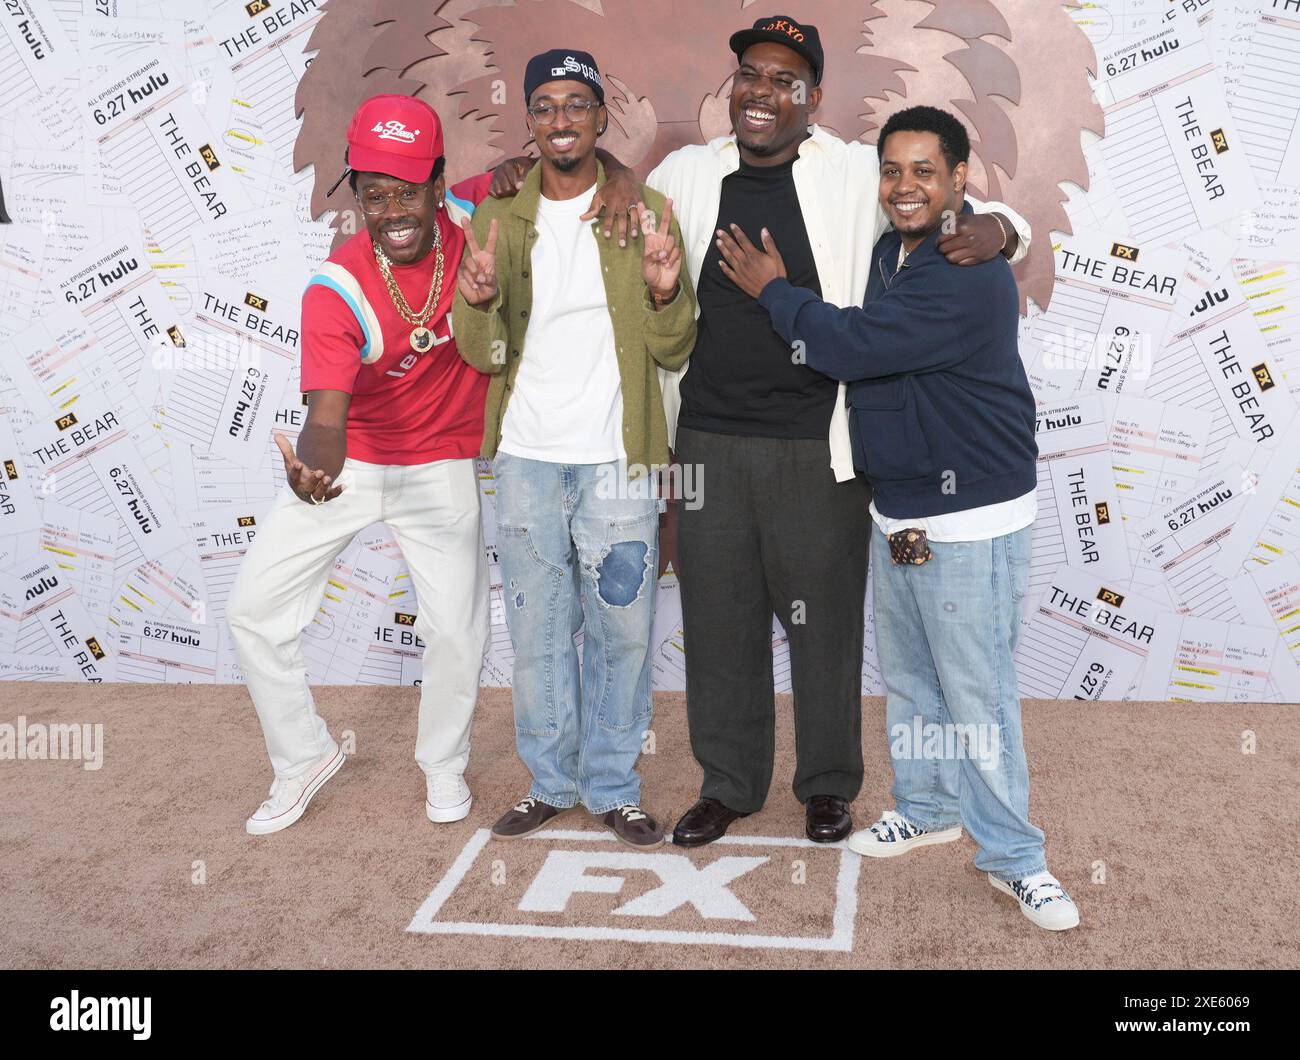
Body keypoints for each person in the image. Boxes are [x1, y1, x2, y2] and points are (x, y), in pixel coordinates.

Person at [645, 15, 1031, 847]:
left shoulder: (855, 173)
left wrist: (1007, 230)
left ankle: (826, 785)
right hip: (707, 438)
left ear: (812, 99)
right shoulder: (685, 173)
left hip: (819, 441)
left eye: (786, 80)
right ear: (733, 83)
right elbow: (612, 199)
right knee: (718, 623)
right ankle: (729, 784)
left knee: (822, 627)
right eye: (752, 71)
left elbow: (934, 192)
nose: (763, 91)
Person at [227, 94, 641, 836]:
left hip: (440, 468)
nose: (393, 210)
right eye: (374, 193)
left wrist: (624, 180)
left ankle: (443, 765)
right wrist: (312, 469)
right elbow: (325, 415)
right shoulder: (337, 287)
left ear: (438, 181)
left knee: (456, 631)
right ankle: (301, 757)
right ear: (354, 193)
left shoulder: (476, 211)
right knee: (253, 612)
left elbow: (570, 160)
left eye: (407, 190)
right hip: (347, 465)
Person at [717, 104, 1077, 931]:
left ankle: (1016, 856)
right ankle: (926, 805)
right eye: (892, 170)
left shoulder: (964, 267)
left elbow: (852, 348)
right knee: (913, 680)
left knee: (976, 696)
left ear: (960, 179)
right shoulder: (892, 251)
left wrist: (775, 292)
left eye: (925, 170)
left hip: (970, 514)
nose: (905, 186)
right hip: (902, 509)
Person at [453, 50, 696, 847]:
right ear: (531, 120)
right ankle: (550, 782)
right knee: (539, 633)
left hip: (616, 460)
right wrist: (481, 304)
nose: (561, 118)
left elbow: (673, 346)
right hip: (524, 457)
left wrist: (665, 290)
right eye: (545, 105)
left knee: (624, 631)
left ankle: (613, 785)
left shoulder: (646, 209)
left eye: (577, 104)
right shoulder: (497, 218)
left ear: (601, 117)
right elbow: (478, 350)